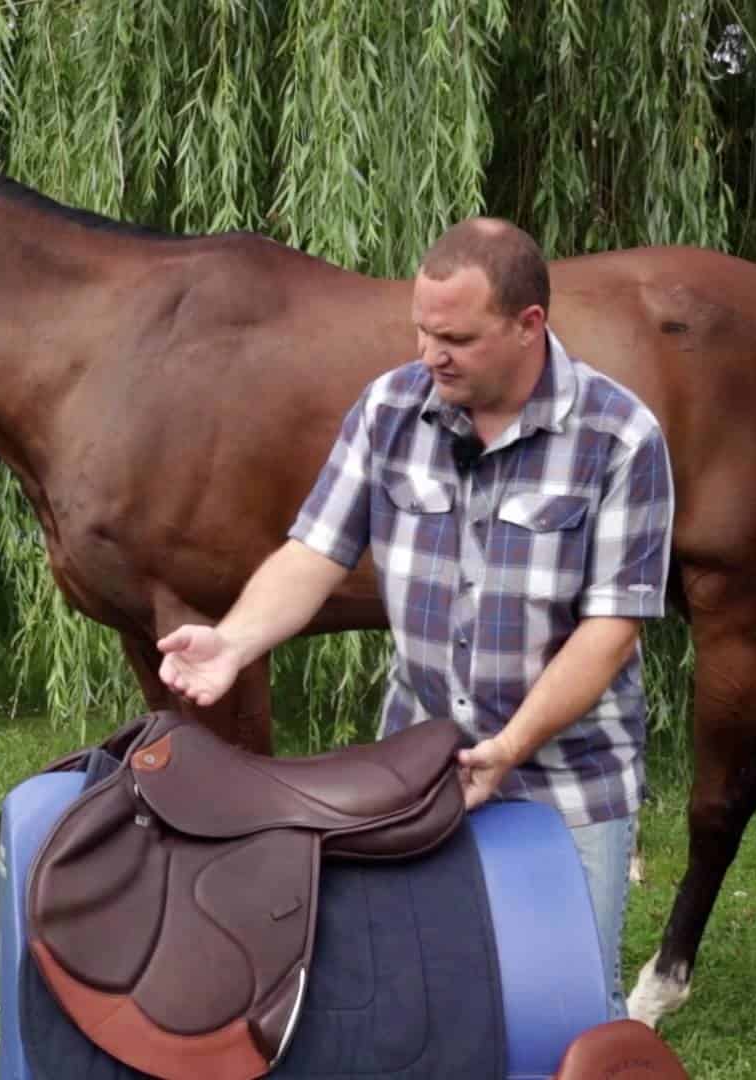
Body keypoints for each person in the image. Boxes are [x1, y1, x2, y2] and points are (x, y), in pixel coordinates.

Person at [157, 216, 673, 1021]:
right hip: (419, 769)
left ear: (529, 325)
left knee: (568, 1009)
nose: (432, 354)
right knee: (422, 994)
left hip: (572, 779)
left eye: (457, 338)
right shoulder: (390, 409)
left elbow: (611, 631)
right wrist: (232, 638)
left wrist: (508, 748)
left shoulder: (620, 437)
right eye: (423, 330)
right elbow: (314, 552)